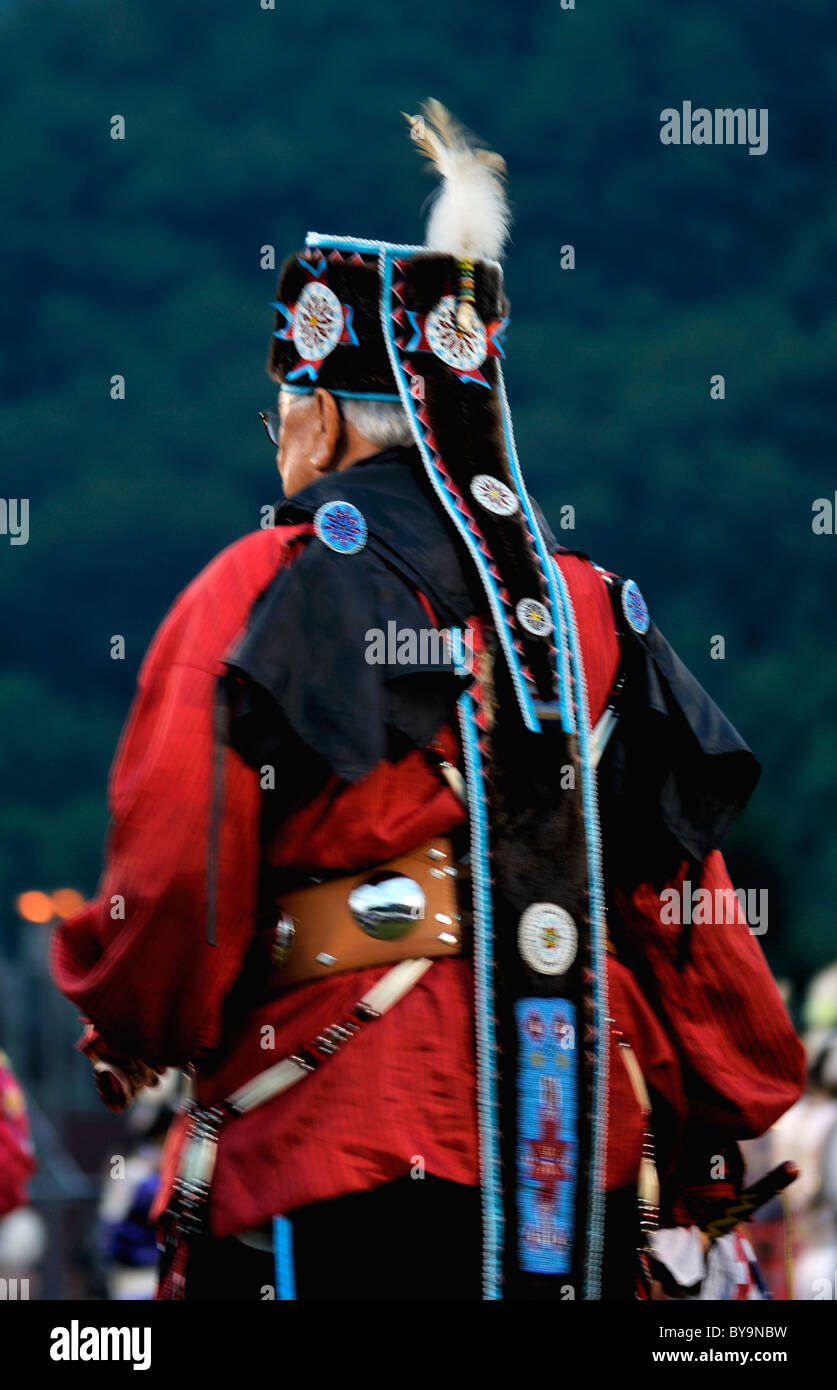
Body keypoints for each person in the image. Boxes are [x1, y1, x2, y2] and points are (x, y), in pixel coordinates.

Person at [51, 100, 804, 1301]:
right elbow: (680, 901)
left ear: (327, 417)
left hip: (338, 1133)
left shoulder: (263, 586)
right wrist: (722, 1113)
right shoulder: (594, 612)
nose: (277, 442)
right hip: (580, 1159)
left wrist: (133, 1016)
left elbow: (179, 865)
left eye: (281, 412)